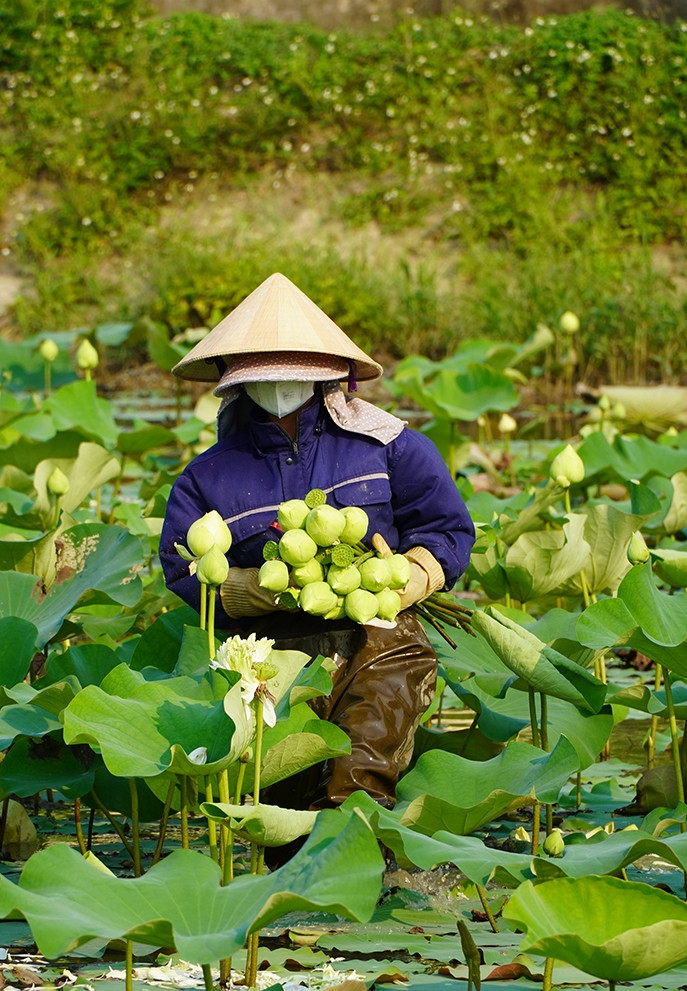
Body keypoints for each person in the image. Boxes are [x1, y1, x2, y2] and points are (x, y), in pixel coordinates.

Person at [158, 272, 475, 813]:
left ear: (326, 370)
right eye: (266, 373)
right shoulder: (206, 477)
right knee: (284, 811)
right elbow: (180, 565)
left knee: (354, 790)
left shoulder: (389, 446)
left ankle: (365, 852)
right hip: (274, 655)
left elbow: (447, 529)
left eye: (294, 370)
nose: (281, 385)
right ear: (236, 378)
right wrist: (254, 588)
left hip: (380, 638)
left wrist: (409, 579)